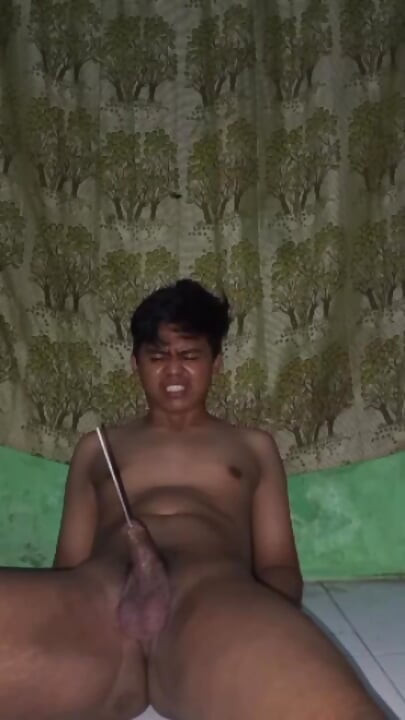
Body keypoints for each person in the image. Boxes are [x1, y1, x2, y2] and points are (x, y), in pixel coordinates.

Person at [54, 279, 385, 720]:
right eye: (158, 357)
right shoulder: (96, 448)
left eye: (190, 356)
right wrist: (66, 625)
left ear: (216, 363)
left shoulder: (252, 447)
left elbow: (278, 566)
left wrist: (258, 622)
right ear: (135, 364)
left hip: (209, 595)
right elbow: (67, 566)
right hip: (102, 594)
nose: (174, 372)